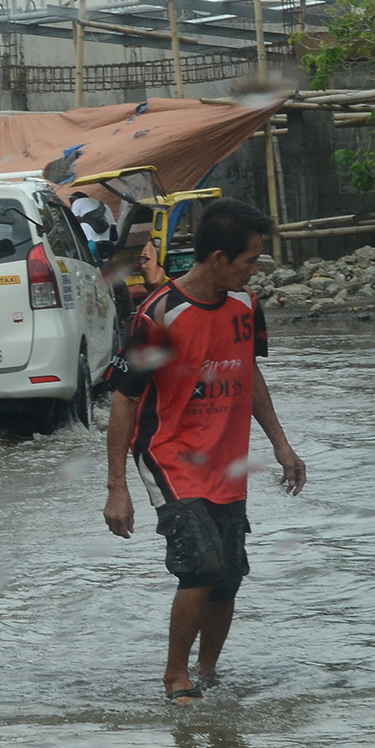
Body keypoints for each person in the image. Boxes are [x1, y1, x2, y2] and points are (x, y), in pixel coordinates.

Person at [102, 197, 306, 706]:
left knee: (230, 572)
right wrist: (117, 488)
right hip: (169, 456)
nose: (254, 270)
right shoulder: (160, 314)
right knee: (201, 567)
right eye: (249, 260)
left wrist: (281, 444)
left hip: (226, 461)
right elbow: (124, 400)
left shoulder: (246, 306)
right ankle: (176, 678)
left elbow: (248, 372)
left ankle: (207, 671)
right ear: (218, 259)